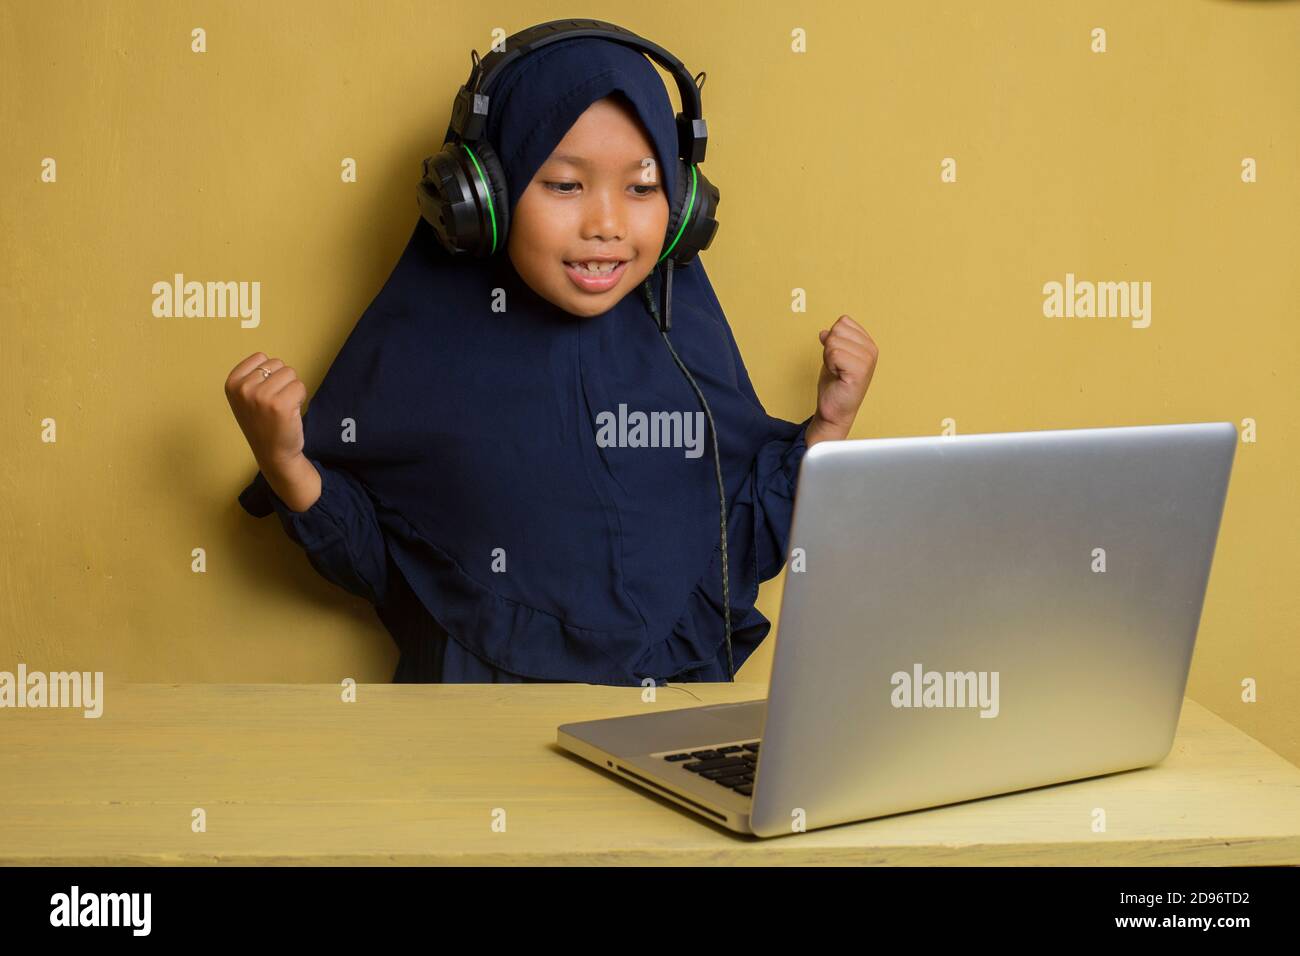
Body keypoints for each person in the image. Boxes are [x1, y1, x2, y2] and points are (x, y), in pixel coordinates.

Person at [224, 35, 878, 685]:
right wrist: (284, 460)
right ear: (484, 198)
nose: (607, 224)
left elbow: (736, 548)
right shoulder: (425, 355)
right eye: (566, 184)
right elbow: (377, 562)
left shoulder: (689, 357)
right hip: (470, 746)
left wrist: (829, 426)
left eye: (643, 187)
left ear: (682, 208)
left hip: (661, 745)